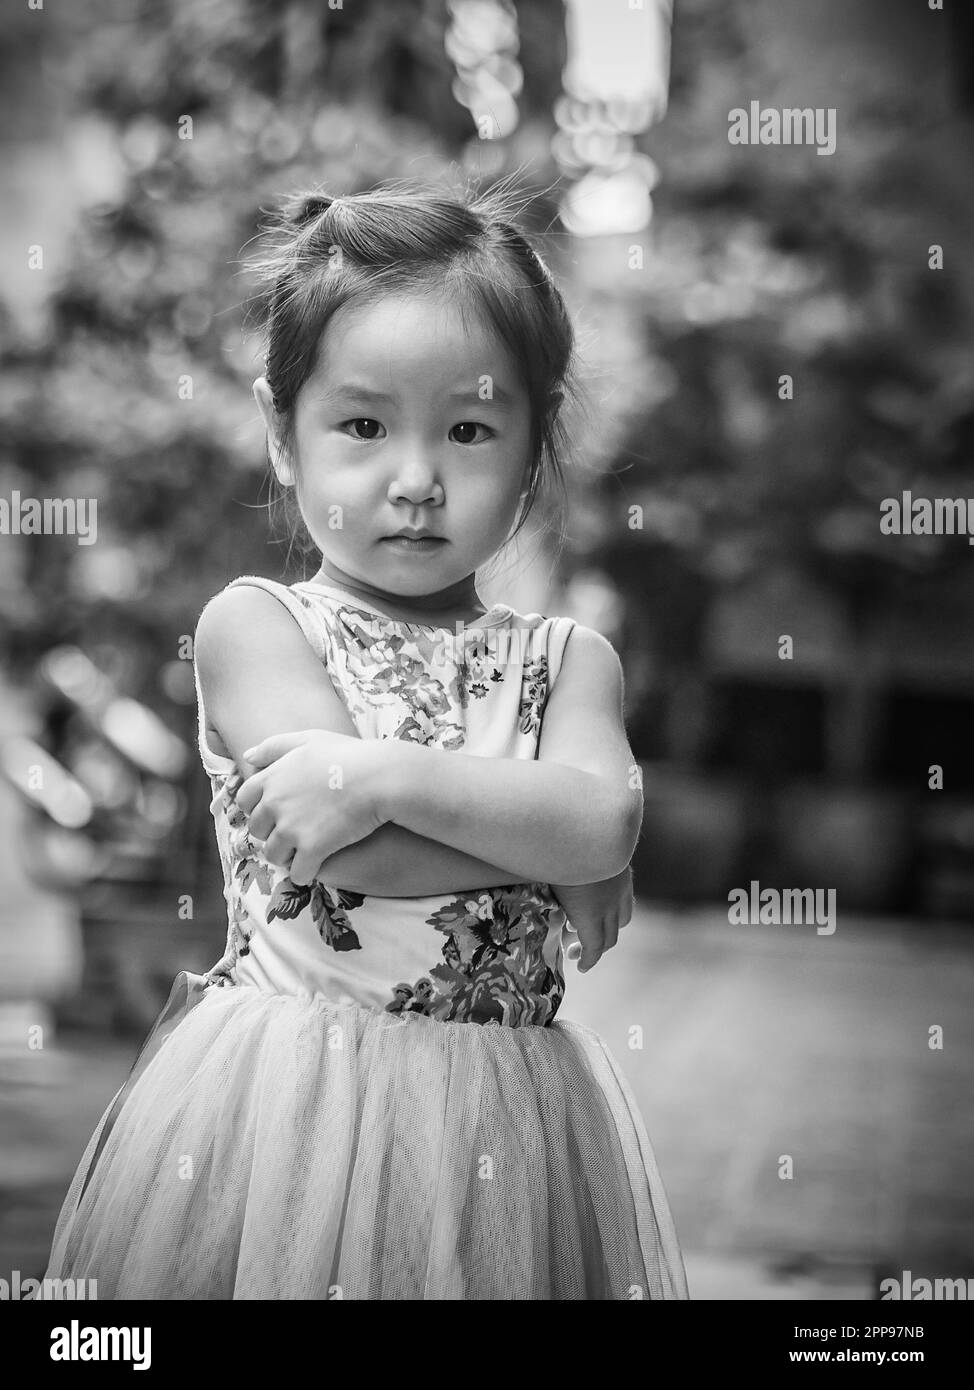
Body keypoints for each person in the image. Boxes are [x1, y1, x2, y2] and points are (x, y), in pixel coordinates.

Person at [38, 183, 689, 1300]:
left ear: (533, 451)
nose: (416, 480)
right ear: (280, 437)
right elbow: (352, 857)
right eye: (362, 424)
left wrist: (383, 773)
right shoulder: (257, 628)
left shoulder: (568, 659)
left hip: (510, 1129)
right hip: (290, 1111)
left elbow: (607, 817)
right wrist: (546, 841)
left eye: (471, 430)